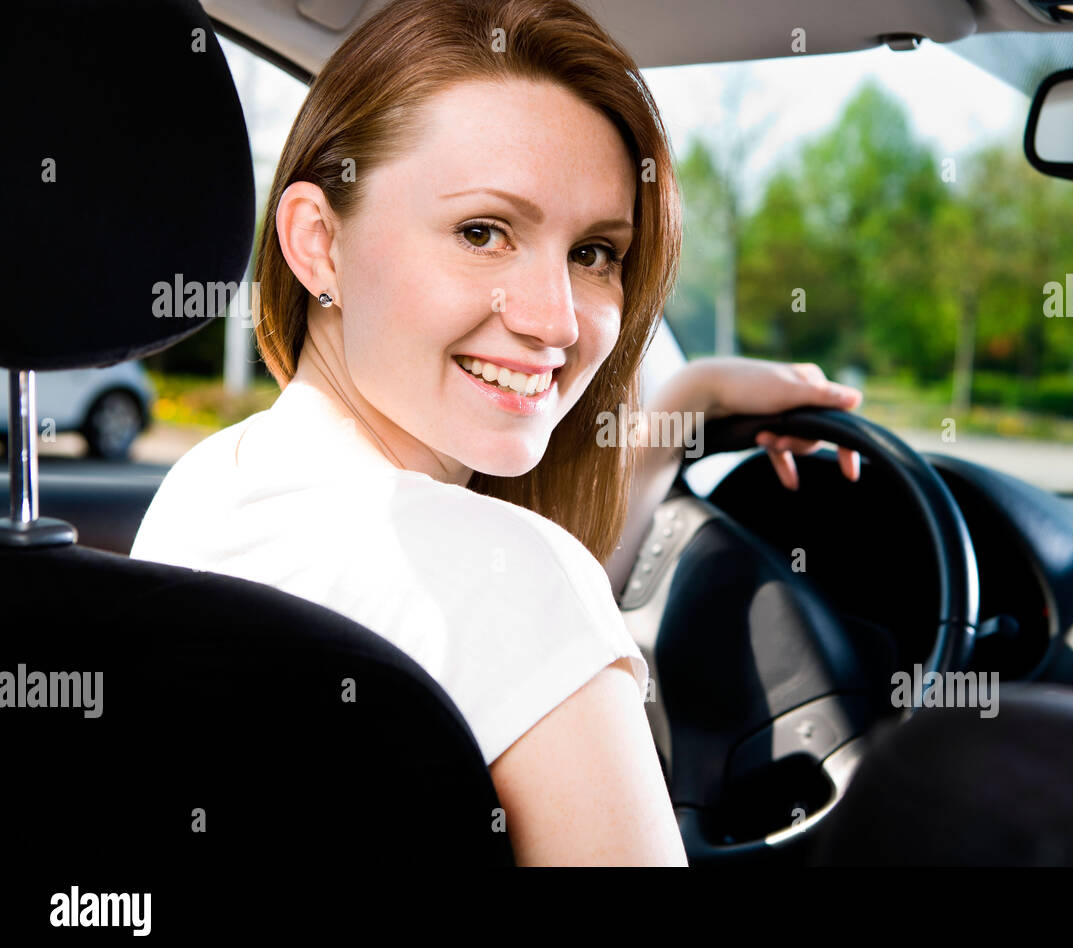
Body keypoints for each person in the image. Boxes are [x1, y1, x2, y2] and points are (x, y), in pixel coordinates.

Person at [132, 0, 861, 865]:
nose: (555, 322)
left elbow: (483, 606)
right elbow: (506, 597)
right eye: (483, 233)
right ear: (317, 243)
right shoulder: (520, 580)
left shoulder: (210, 488)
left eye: (595, 253)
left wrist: (687, 401)